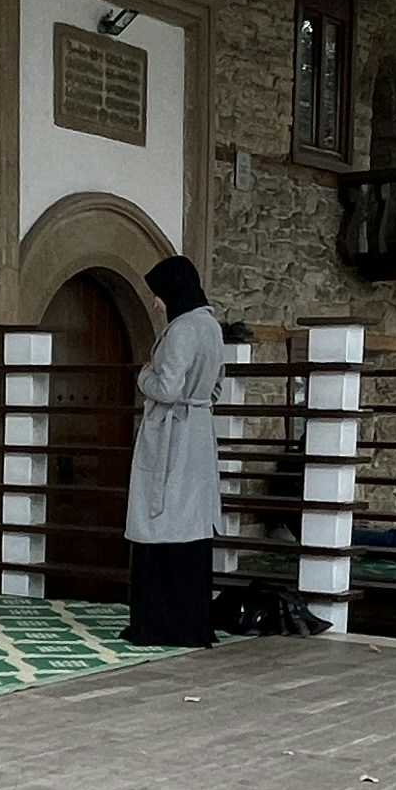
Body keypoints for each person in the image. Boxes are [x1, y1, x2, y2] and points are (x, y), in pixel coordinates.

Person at [124, 254, 224, 647]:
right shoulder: (211, 326)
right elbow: (216, 387)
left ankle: (158, 623)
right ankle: (190, 621)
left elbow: (166, 388)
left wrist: (144, 376)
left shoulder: (183, 329)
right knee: (191, 524)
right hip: (198, 431)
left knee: (161, 520)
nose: (155, 302)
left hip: (173, 433)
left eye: (157, 293)